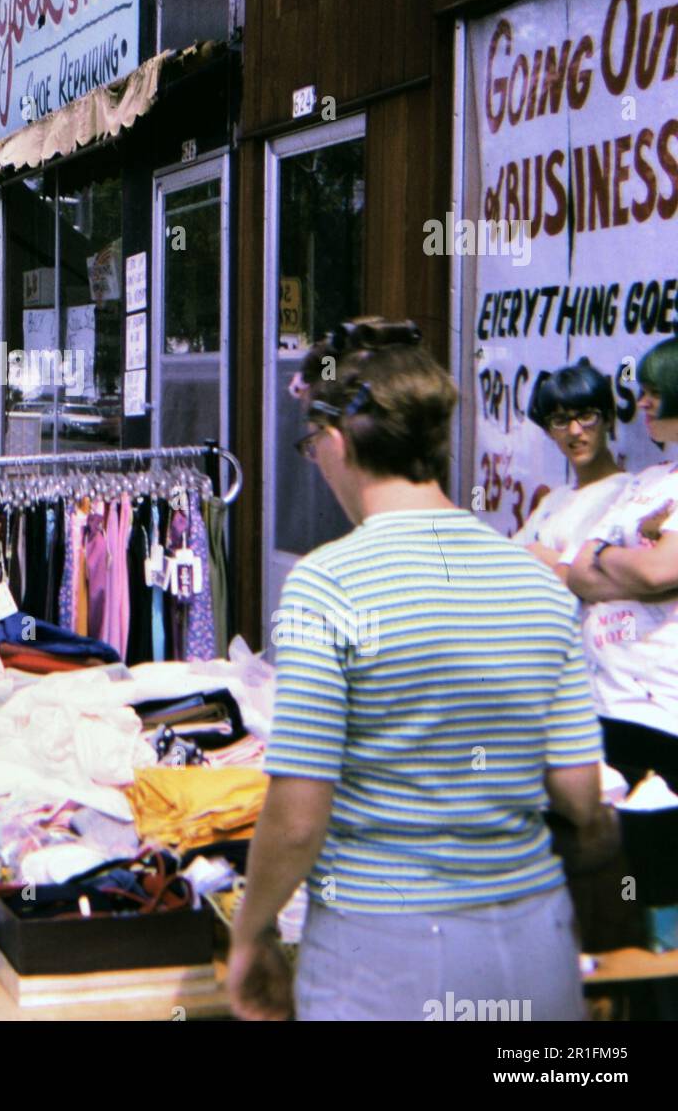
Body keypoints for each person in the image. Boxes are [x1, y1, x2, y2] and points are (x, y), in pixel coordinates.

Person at [228, 319, 611, 1021]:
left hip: (386, 953)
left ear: (337, 440)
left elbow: (297, 815)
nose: (317, 460)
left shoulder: (328, 583)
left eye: (312, 445)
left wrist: (251, 935)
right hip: (533, 940)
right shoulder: (534, 578)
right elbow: (581, 794)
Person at [567, 336, 678, 793]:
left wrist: (607, 560)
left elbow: (660, 571)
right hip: (604, 703)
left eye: (655, 391)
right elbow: (578, 571)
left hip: (662, 710)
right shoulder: (647, 482)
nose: (644, 402)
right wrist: (621, 563)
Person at [513, 359, 627, 577]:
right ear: (549, 431)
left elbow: (607, 577)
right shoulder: (554, 500)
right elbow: (507, 558)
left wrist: (541, 556)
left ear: (609, 420)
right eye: (561, 420)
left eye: (586, 416)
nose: (574, 430)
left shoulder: (628, 492)